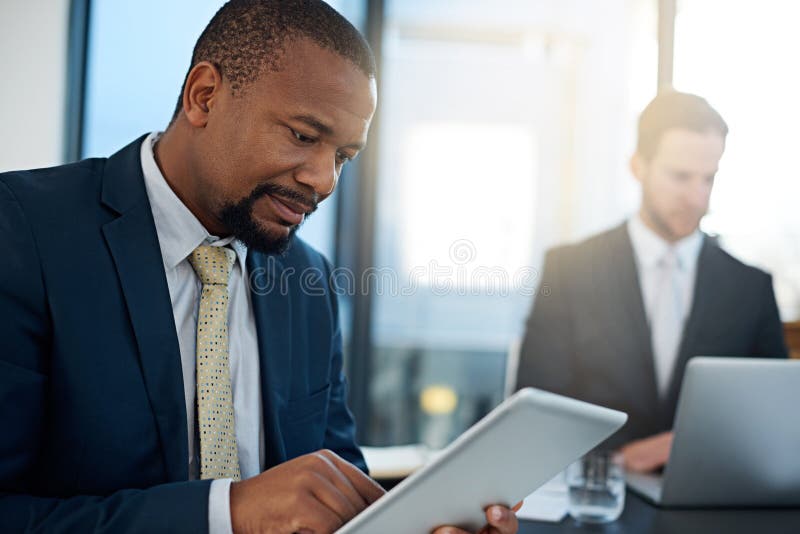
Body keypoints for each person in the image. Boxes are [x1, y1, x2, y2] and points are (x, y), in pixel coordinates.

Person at [0, 1, 518, 533]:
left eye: (343, 156)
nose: (324, 180)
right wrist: (227, 513)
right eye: (303, 135)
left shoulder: (310, 283)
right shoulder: (22, 232)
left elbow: (338, 491)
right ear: (204, 96)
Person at [516, 91, 787, 474]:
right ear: (638, 166)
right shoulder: (570, 270)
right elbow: (534, 413)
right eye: (680, 177)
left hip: (712, 501)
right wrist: (620, 459)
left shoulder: (750, 288)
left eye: (708, 178)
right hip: (595, 500)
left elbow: (776, 417)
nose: (698, 197)